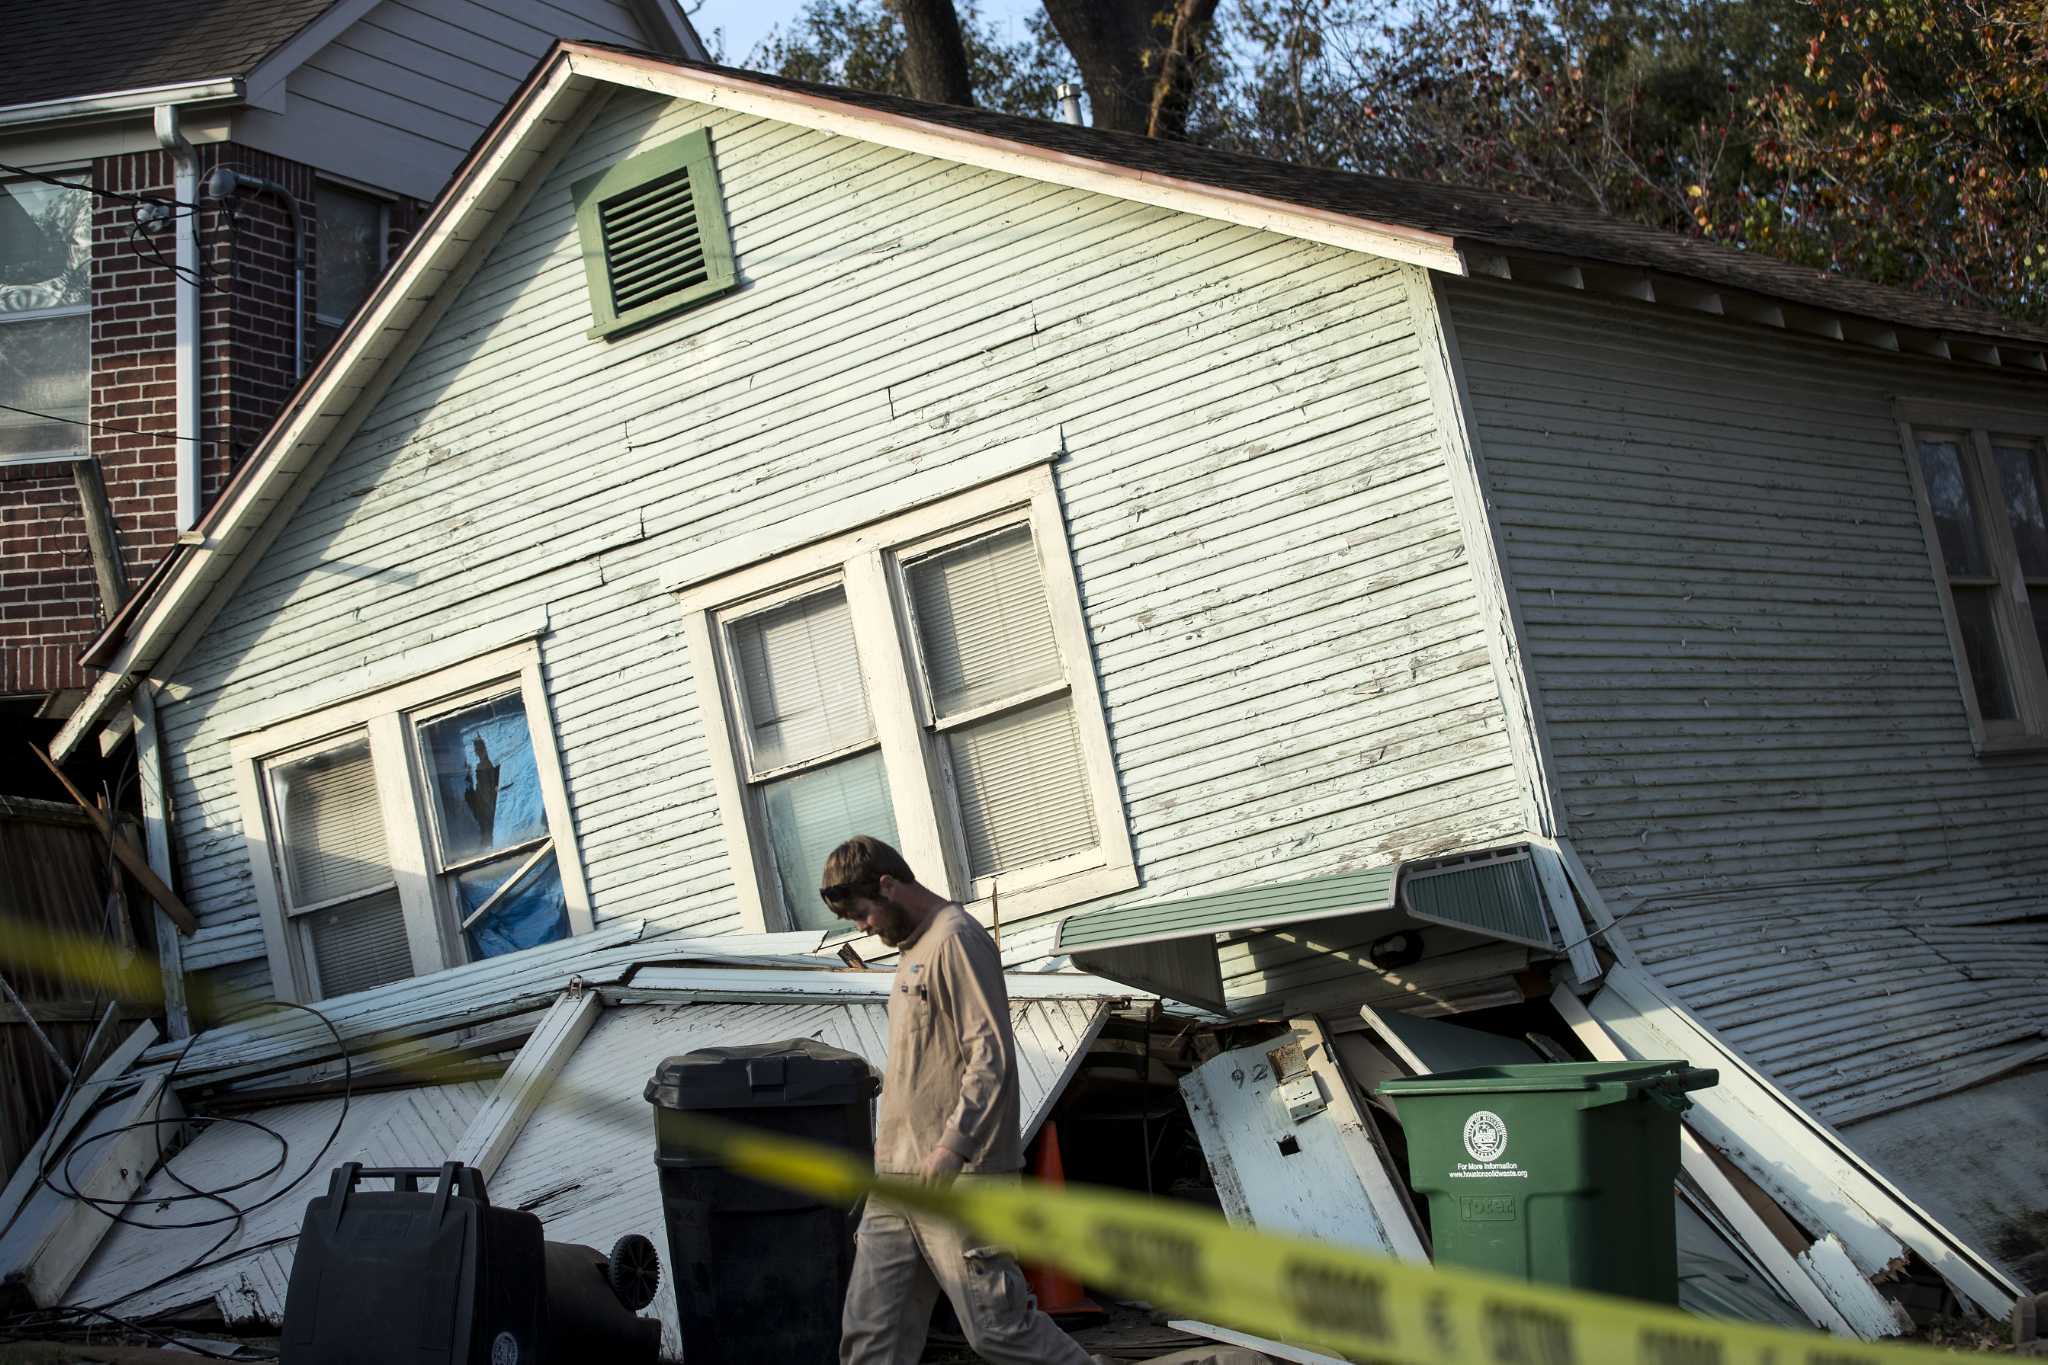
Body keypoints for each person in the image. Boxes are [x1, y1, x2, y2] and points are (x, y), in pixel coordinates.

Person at [823, 835, 1095, 1365]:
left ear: (888, 885)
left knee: (998, 1329)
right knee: (871, 1333)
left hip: (960, 1174)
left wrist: (953, 1146)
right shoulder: (911, 953)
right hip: (900, 1179)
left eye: (862, 914)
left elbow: (990, 1055)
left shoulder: (956, 940)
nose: (862, 928)